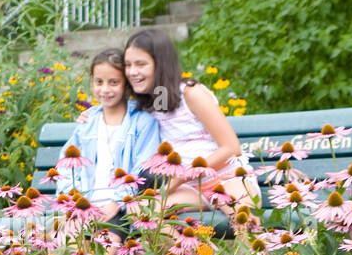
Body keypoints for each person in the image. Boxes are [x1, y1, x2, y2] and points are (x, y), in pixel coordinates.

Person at [123, 28, 259, 221]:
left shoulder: (191, 93)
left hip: (227, 178)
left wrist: (179, 179)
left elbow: (231, 147)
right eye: (128, 65)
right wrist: (90, 115)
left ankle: (254, 252)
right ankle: (197, 251)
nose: (132, 72)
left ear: (160, 64)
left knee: (240, 215)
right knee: (139, 211)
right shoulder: (156, 99)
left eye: (141, 64)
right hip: (191, 190)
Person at [58, 48, 162, 229]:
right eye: (99, 82)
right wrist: (73, 201)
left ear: (126, 84)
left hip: (121, 208)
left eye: (113, 82)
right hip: (84, 204)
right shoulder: (88, 123)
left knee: (107, 244)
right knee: (65, 241)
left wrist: (117, 202)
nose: (105, 89)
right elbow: (66, 166)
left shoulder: (142, 122)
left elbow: (142, 169)